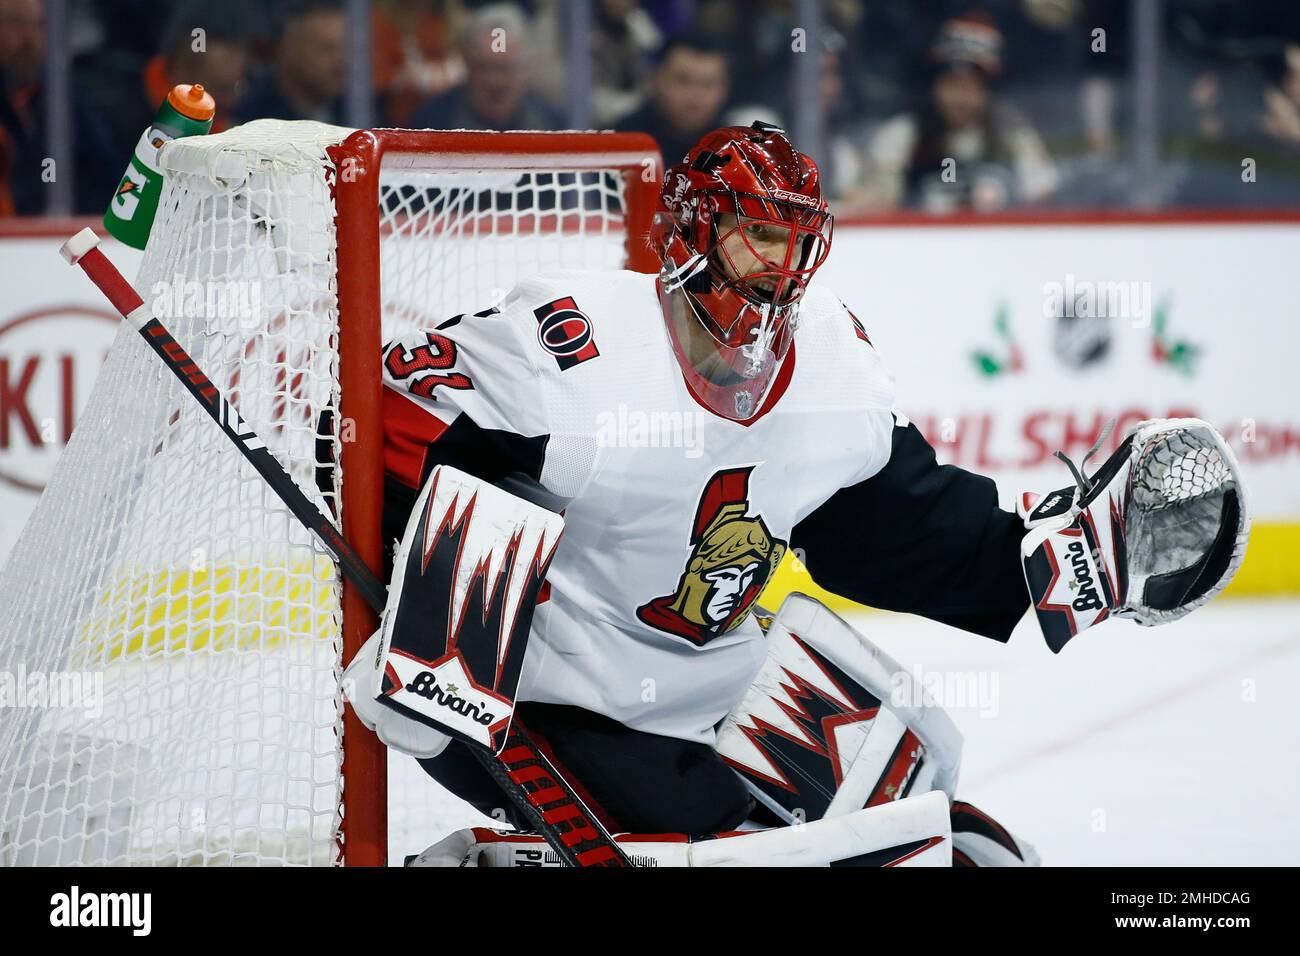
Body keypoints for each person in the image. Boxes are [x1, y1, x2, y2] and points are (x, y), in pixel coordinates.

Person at [361, 120, 1243, 866]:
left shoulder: (830, 366)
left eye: (794, 242)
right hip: (552, 702)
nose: (778, 270)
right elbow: (397, 423)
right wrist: (440, 633)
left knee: (923, 809)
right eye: (755, 237)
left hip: (723, 681)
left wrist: (1033, 565)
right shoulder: (573, 350)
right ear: (691, 235)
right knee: (736, 842)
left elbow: (886, 521)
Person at [857, 12, 1059, 212]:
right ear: (934, 86)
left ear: (989, 91)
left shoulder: (1015, 137)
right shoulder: (900, 137)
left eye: (973, 85)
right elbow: (878, 209)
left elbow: (1045, 205)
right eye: (952, 83)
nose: (961, 97)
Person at [407, 3, 561, 132]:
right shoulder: (431, 126)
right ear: (467, 65)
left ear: (526, 68)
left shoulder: (553, 126)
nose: (495, 80)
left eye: (505, 68)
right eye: (484, 67)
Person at [615, 35, 729, 166]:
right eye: (683, 81)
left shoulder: (734, 149)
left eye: (708, 84)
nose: (695, 97)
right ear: (657, 79)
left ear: (724, 89)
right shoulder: (622, 143)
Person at [236, 0, 347, 125]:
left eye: (345, 49)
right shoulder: (252, 122)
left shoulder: (362, 112)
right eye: (326, 49)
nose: (341, 61)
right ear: (289, 49)